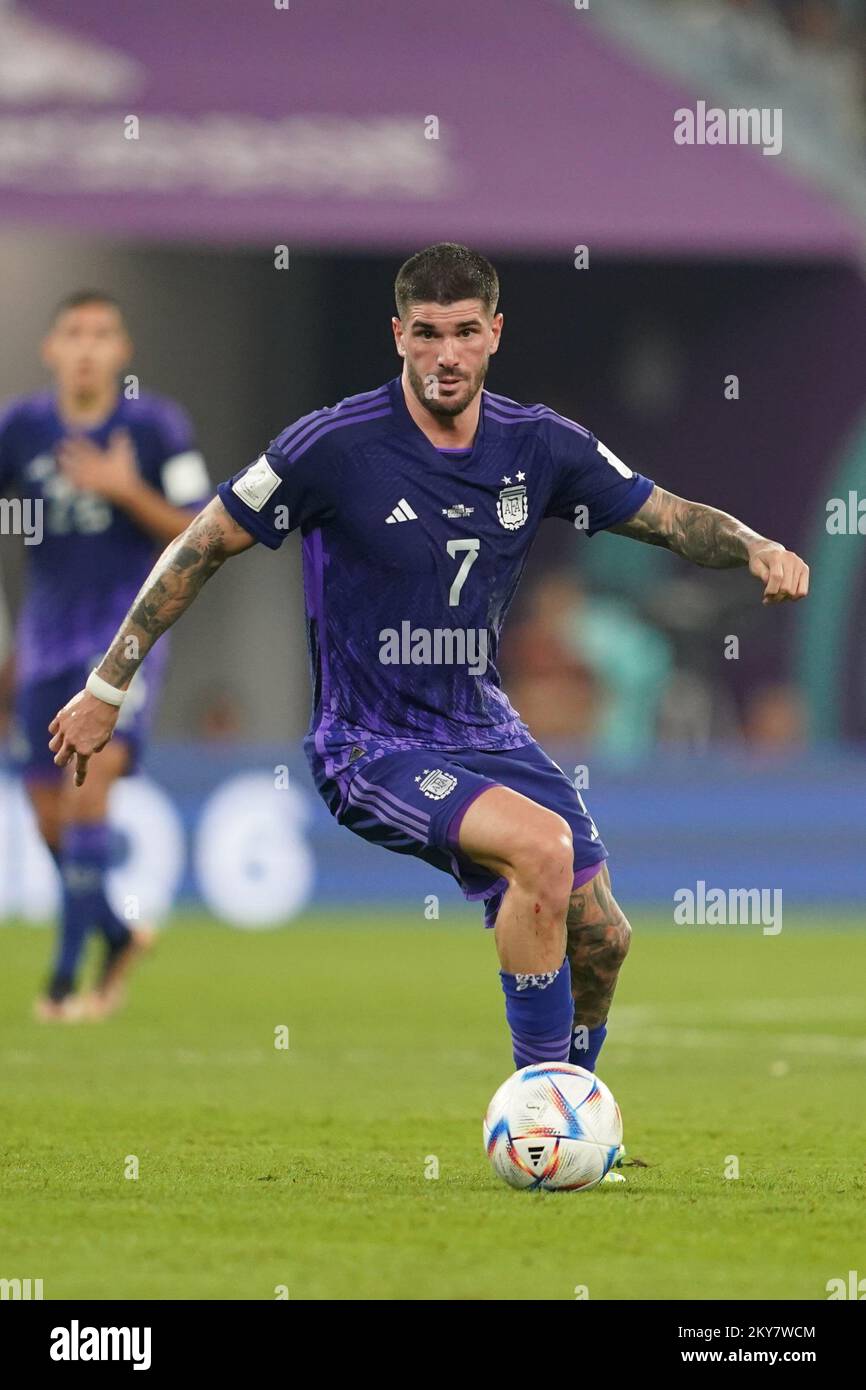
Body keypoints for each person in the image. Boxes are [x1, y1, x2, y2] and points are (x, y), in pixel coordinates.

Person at [47, 246, 808, 1119]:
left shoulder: (539, 445)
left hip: (485, 728)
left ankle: (577, 1116)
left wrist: (753, 545)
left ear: (495, 334)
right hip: (369, 744)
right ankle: (540, 1117)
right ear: (398, 335)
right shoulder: (332, 446)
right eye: (428, 334)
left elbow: (668, 516)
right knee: (542, 851)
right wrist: (107, 687)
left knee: (603, 938)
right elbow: (201, 544)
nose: (447, 355)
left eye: (465, 334)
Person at [0, 291, 210, 1020]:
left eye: (102, 335)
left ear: (121, 351)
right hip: (42, 639)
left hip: (125, 640)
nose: (87, 348)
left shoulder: (154, 429)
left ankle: (62, 983)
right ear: (51, 348)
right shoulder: (20, 429)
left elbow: (199, 530)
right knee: (45, 808)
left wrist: (125, 489)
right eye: (74, 334)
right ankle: (119, 935)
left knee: (88, 790)